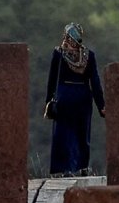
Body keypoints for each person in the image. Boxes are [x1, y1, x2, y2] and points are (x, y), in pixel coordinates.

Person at [44, 22, 105, 176]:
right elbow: (95, 82)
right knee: (82, 133)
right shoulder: (88, 55)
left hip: (64, 96)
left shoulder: (58, 53)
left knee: (63, 133)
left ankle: (64, 168)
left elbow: (52, 80)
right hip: (83, 96)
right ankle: (82, 167)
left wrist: (48, 101)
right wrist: (101, 105)